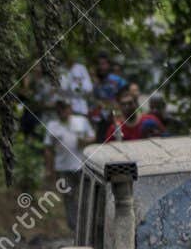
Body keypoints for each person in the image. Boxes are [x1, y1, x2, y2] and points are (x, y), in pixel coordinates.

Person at [43, 97, 94, 230]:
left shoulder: (81, 121)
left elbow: (93, 137)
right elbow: (48, 149)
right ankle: (74, 227)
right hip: (63, 167)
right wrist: (49, 170)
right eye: (59, 109)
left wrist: (85, 141)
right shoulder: (52, 125)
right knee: (69, 197)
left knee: (86, 196)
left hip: (82, 165)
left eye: (64, 108)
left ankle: (87, 225)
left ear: (70, 109)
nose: (62, 111)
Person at [102, 85, 166, 142]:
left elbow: (165, 139)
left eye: (130, 103)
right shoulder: (114, 129)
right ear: (119, 106)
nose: (127, 107)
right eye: (123, 104)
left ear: (135, 104)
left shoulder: (151, 119)